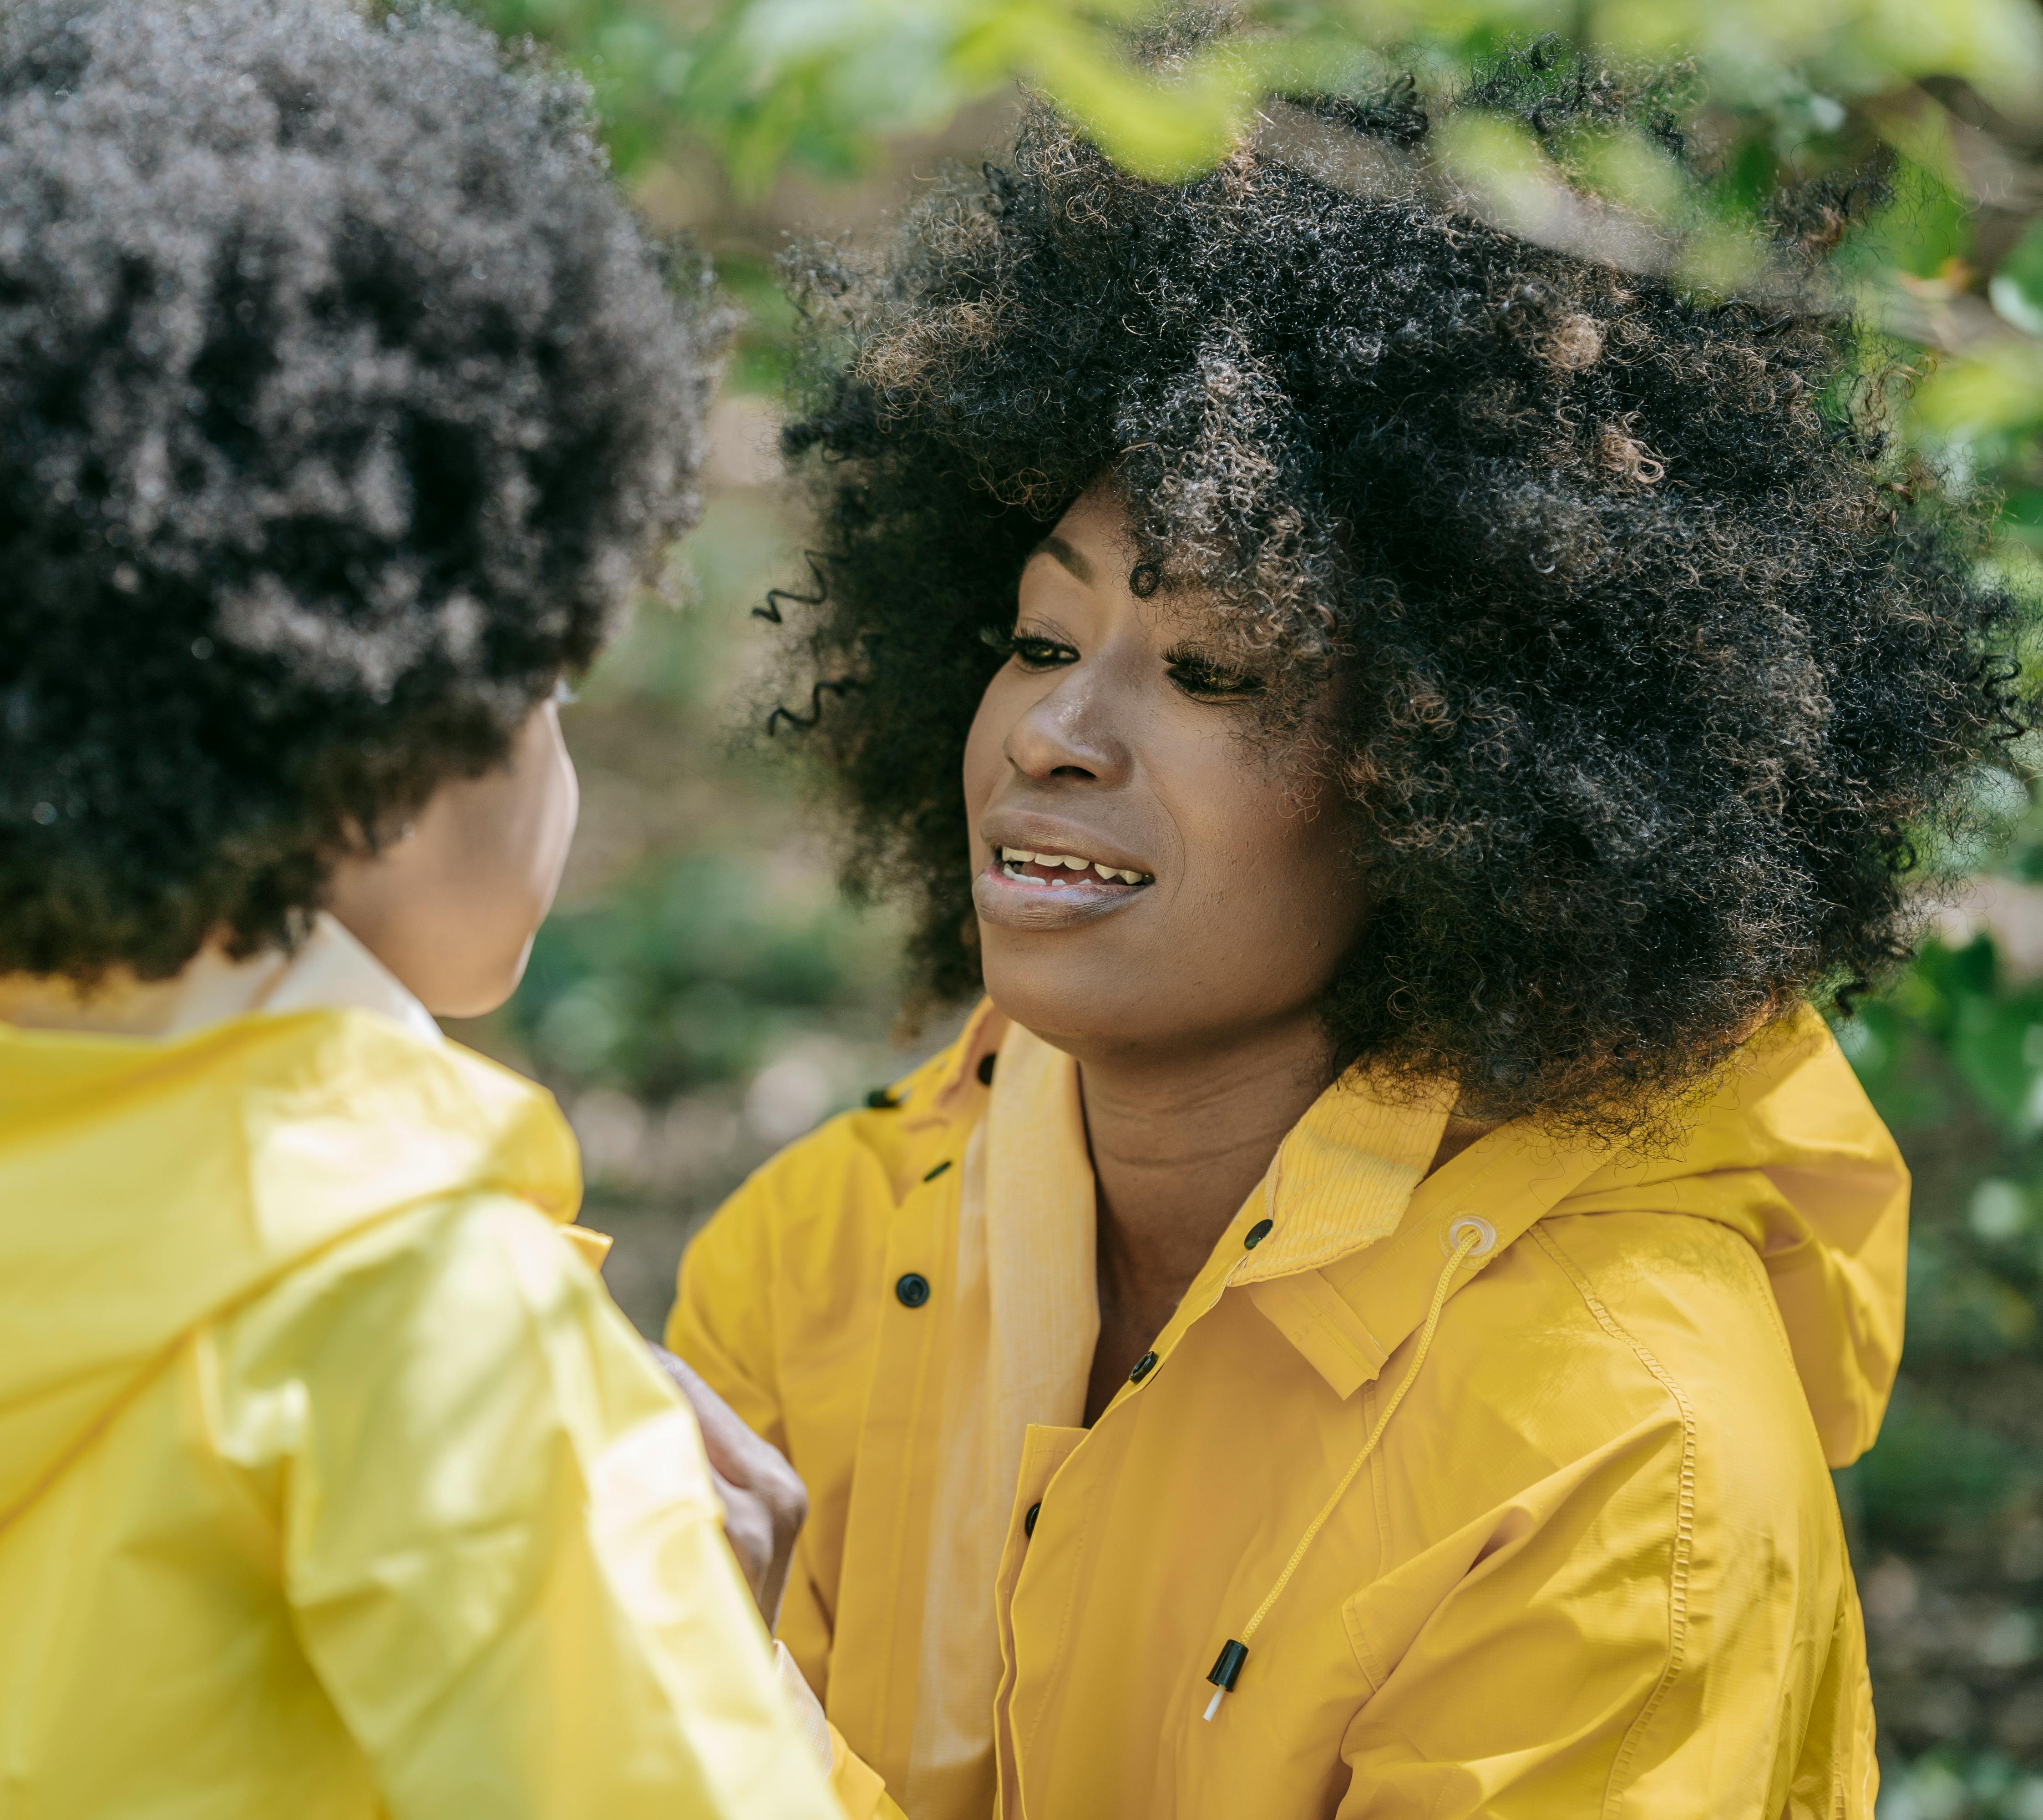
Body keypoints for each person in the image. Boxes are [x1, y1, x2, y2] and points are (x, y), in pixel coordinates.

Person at [669, 61, 2013, 1820]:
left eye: (1217, 670)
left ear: (1472, 776)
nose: (1054, 734)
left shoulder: (1622, 1445)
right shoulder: (820, 1251)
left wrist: (703, 1731)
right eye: (1036, 634)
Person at [0, 3, 878, 1814]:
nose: (567, 760)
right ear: (376, 713)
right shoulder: (412, 1310)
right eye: (550, 676)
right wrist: (726, 1668)